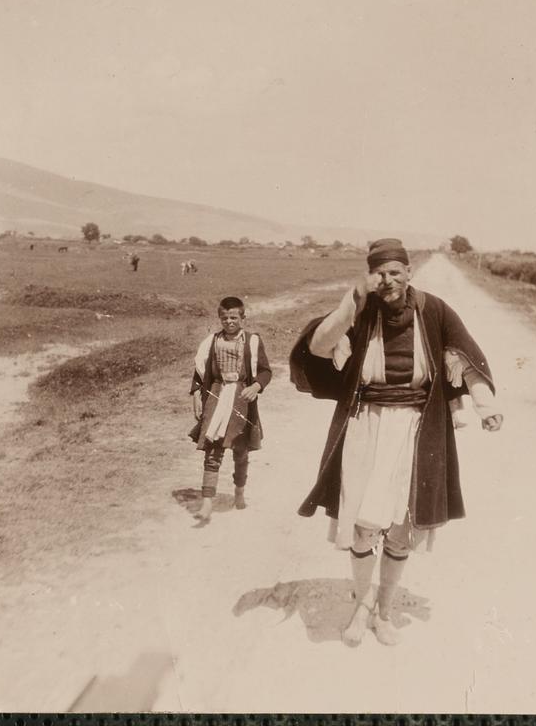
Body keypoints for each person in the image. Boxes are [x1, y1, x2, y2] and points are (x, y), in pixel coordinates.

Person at [289, 238, 502, 647]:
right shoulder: (362, 309)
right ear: (372, 276)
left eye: (394, 273)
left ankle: (383, 612)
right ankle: (361, 608)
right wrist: (352, 300)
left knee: (403, 526)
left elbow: (466, 356)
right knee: (364, 525)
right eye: (379, 274)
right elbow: (318, 346)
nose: (387, 281)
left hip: (418, 429)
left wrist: (484, 405)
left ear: (409, 273)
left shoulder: (435, 310)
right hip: (368, 424)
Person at [190, 296, 272, 523]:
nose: (229, 321)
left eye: (234, 317)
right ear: (219, 318)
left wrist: (256, 386)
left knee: (240, 449)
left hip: (240, 399)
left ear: (242, 318)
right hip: (217, 396)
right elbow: (199, 372)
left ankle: (239, 490)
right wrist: (196, 395)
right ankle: (207, 501)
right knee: (213, 448)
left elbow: (265, 371)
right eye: (224, 318)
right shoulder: (211, 342)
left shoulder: (252, 341)